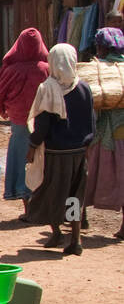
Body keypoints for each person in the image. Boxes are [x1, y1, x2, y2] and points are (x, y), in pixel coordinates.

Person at [26, 42, 96, 255]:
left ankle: (56, 232)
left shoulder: (47, 88)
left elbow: (42, 125)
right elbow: (91, 122)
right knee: (75, 196)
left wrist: (32, 146)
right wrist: (86, 145)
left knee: (51, 192)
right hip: (78, 153)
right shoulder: (84, 88)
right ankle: (75, 238)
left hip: (55, 153)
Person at [0, 28, 49, 213]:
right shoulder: (46, 69)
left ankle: (27, 206)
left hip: (19, 121)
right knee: (43, 162)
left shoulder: (10, 70)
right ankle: (41, 205)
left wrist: (2, 111)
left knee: (21, 159)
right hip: (44, 124)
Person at [84, 26, 124, 239]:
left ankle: (79, 221)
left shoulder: (96, 69)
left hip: (108, 134)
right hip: (118, 133)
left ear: (102, 47)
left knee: (83, 177)